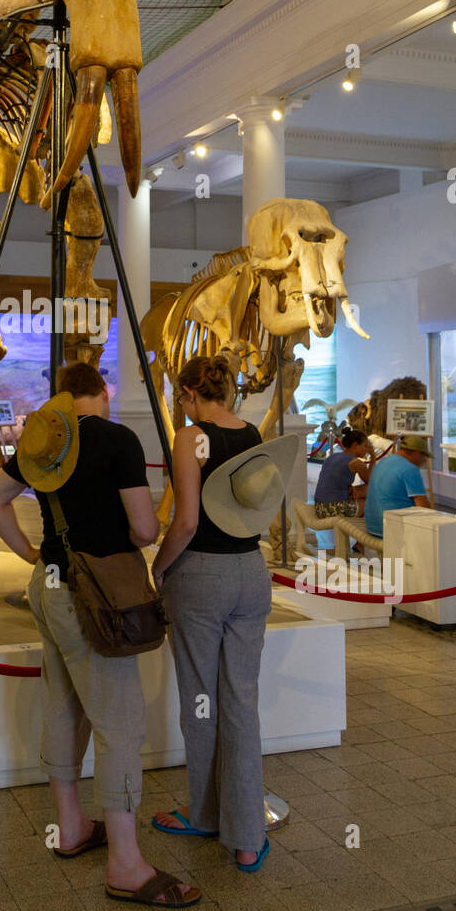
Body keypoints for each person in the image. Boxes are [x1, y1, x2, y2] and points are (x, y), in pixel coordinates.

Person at [0, 361, 200, 909]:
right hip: (96, 598)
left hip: (49, 583)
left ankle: (72, 827)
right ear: (104, 392)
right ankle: (125, 864)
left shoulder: (42, 438)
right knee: (120, 723)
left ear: (62, 398)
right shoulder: (119, 440)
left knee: (63, 705)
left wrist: (33, 554)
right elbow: (146, 529)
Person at [149, 354, 296, 873]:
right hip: (251, 574)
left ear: (189, 393)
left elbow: (186, 521)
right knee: (241, 701)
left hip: (201, 577)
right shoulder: (254, 434)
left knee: (201, 700)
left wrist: (159, 570)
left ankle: (204, 813)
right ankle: (247, 837)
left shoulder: (191, 438)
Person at [363, 434, 431, 537]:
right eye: (424, 456)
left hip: (372, 526)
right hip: (390, 530)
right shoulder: (410, 469)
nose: (423, 460)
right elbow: (424, 508)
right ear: (417, 453)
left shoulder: (384, 461)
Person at [313, 427, 373, 518]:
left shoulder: (332, 457)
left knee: (360, 492)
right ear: (355, 445)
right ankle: (361, 529)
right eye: (365, 446)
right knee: (370, 498)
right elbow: (371, 482)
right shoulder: (356, 463)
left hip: (318, 508)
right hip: (332, 509)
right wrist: (373, 456)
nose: (367, 449)